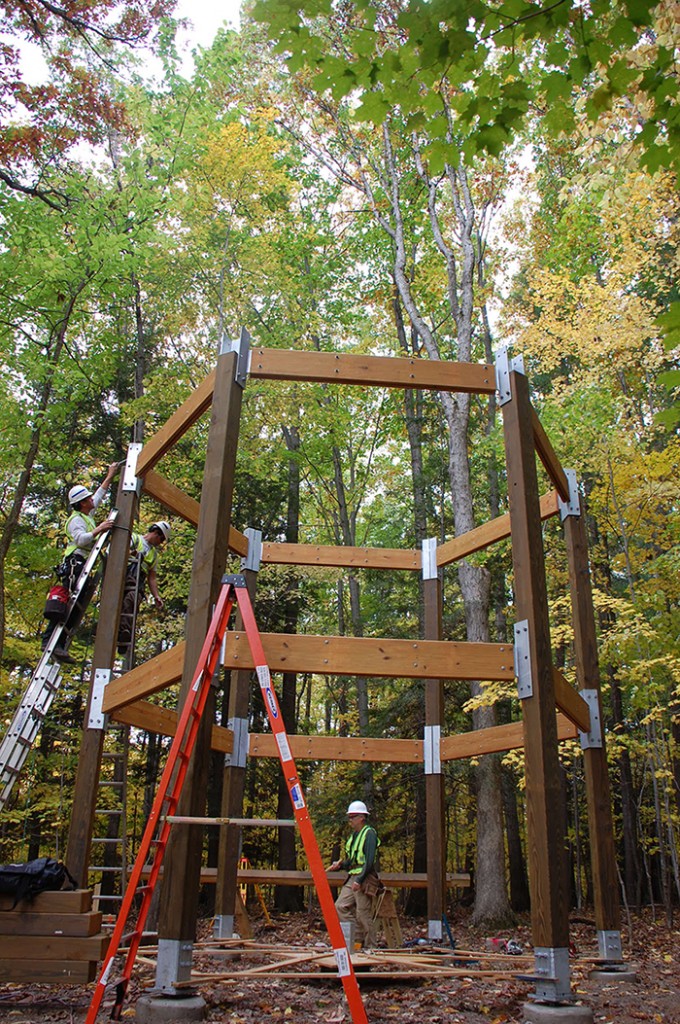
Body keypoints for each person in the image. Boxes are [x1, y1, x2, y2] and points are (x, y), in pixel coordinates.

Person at [42, 462, 119, 661]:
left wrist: (110, 475)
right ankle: (49, 641)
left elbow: (100, 495)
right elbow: (81, 539)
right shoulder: (76, 520)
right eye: (88, 499)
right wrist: (99, 529)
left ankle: (60, 644)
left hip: (81, 563)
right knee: (66, 604)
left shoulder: (86, 514)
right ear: (82, 503)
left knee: (76, 604)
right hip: (74, 563)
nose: (91, 500)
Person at [328, 800, 381, 949]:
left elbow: (369, 861)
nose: (350, 820)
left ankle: (371, 946)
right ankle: (356, 939)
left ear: (361, 817)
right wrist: (340, 865)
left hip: (364, 877)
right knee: (340, 906)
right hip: (353, 876)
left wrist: (360, 879)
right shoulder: (354, 836)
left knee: (362, 914)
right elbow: (352, 860)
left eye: (353, 816)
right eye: (349, 817)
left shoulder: (369, 834)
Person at [117, 520, 170, 656]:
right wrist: (132, 554)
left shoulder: (154, 555)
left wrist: (156, 596)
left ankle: (123, 635)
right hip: (121, 577)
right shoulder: (134, 539)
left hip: (137, 583)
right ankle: (119, 633)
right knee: (116, 607)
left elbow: (151, 578)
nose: (161, 542)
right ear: (156, 533)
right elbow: (118, 552)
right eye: (161, 539)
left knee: (131, 601)